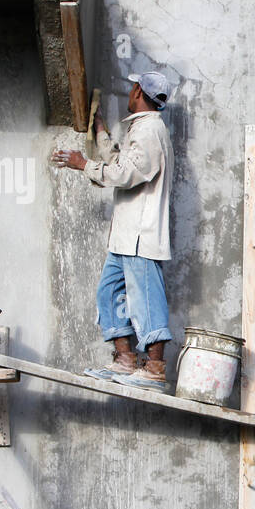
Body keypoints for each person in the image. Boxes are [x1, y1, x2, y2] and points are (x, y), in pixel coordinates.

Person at [51, 72, 175, 391]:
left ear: (137, 90)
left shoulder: (150, 130)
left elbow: (125, 174)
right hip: (125, 236)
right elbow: (121, 162)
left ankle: (155, 368)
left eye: (132, 88)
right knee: (109, 293)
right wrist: (102, 133)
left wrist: (83, 164)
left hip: (140, 235)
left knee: (146, 299)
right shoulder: (142, 128)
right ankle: (124, 361)